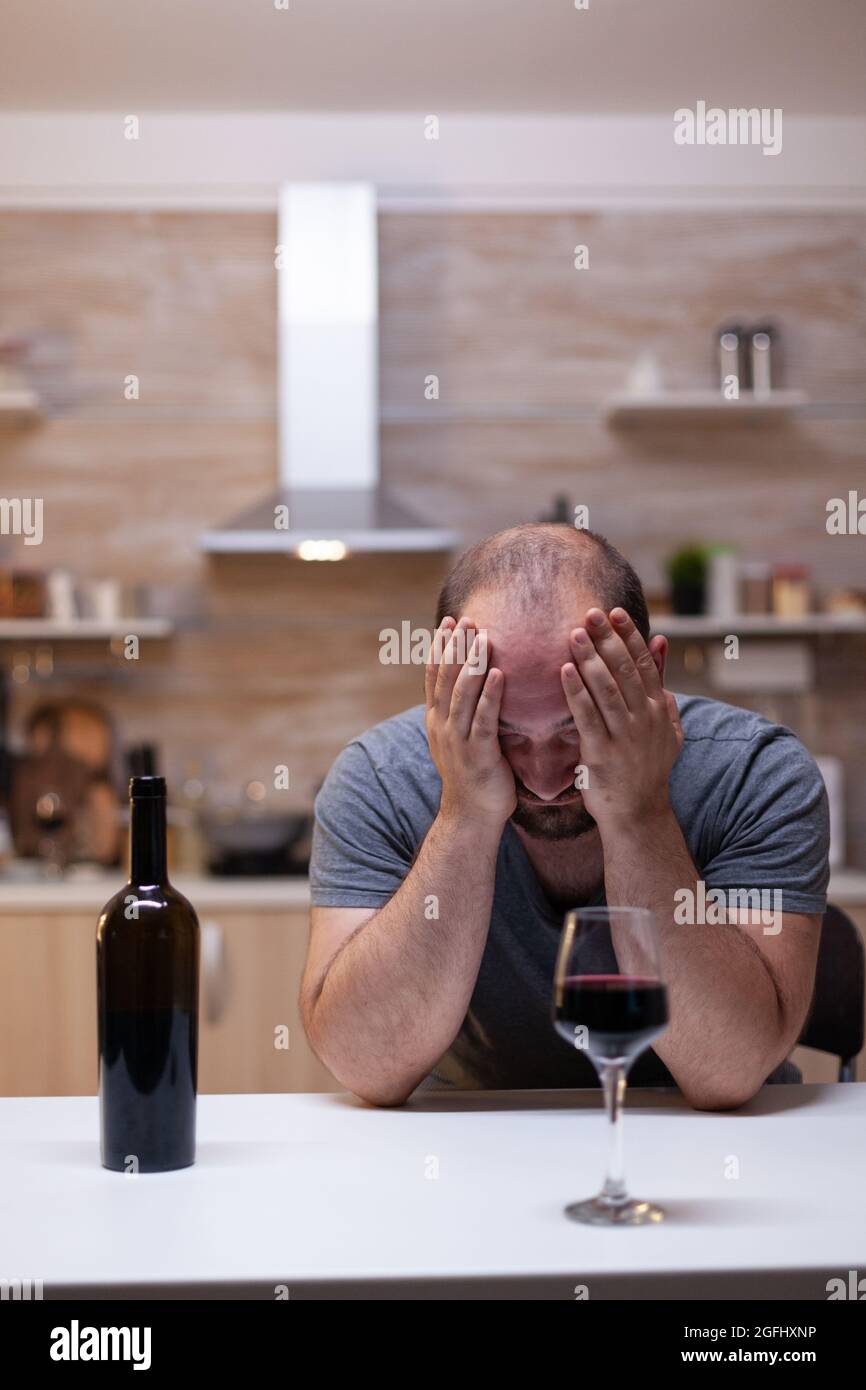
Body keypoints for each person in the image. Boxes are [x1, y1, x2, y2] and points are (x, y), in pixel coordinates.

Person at [301, 524, 829, 1109]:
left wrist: (639, 812)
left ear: (647, 674)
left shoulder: (757, 772)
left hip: (714, 1149)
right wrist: (465, 812)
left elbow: (729, 1070)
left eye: (576, 730)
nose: (546, 780)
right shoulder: (379, 777)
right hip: (467, 1143)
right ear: (444, 688)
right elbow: (364, 1065)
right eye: (503, 735)